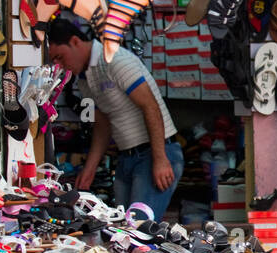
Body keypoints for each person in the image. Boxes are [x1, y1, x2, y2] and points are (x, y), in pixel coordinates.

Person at [45, 14, 184, 221]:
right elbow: (102, 124)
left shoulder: (114, 59)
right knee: (120, 229)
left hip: (155, 153)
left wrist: (160, 158)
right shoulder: (83, 79)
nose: (60, 65)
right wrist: (90, 168)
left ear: (75, 42)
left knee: (139, 230)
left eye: (60, 57)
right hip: (127, 157)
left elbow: (151, 106)